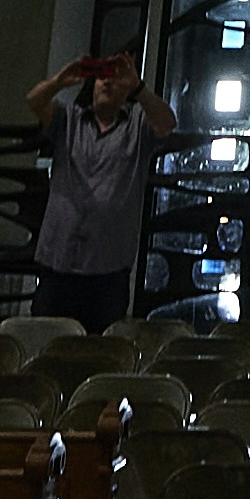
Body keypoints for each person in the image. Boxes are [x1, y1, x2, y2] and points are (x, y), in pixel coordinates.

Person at [23, 37, 175, 330]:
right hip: (59, 264)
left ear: (126, 90)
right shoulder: (69, 120)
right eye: (101, 76)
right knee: (48, 340)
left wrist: (139, 87)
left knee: (102, 348)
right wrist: (59, 81)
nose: (106, 83)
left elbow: (167, 122)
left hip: (108, 272)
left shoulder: (137, 126)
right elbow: (34, 101)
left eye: (115, 78)